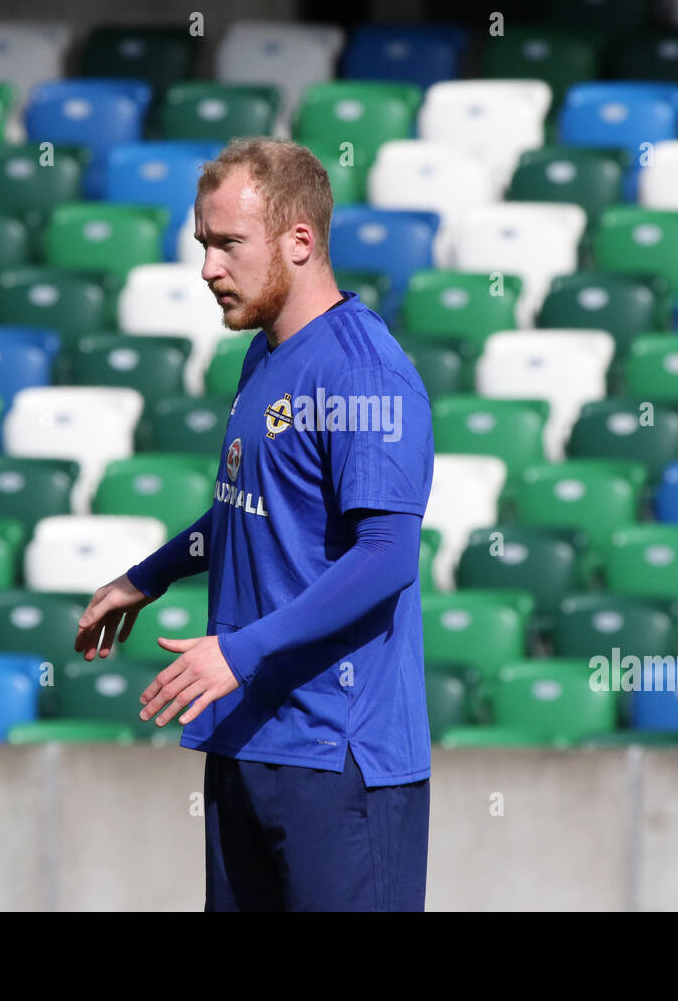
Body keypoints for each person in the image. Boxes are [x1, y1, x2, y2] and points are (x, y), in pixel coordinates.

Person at [74, 137, 435, 912]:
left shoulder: (364, 372)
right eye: (203, 244)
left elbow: (387, 555)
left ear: (299, 240)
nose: (208, 267)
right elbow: (252, 506)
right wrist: (151, 573)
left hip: (339, 758)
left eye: (227, 244)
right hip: (246, 738)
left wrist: (239, 651)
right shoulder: (266, 356)